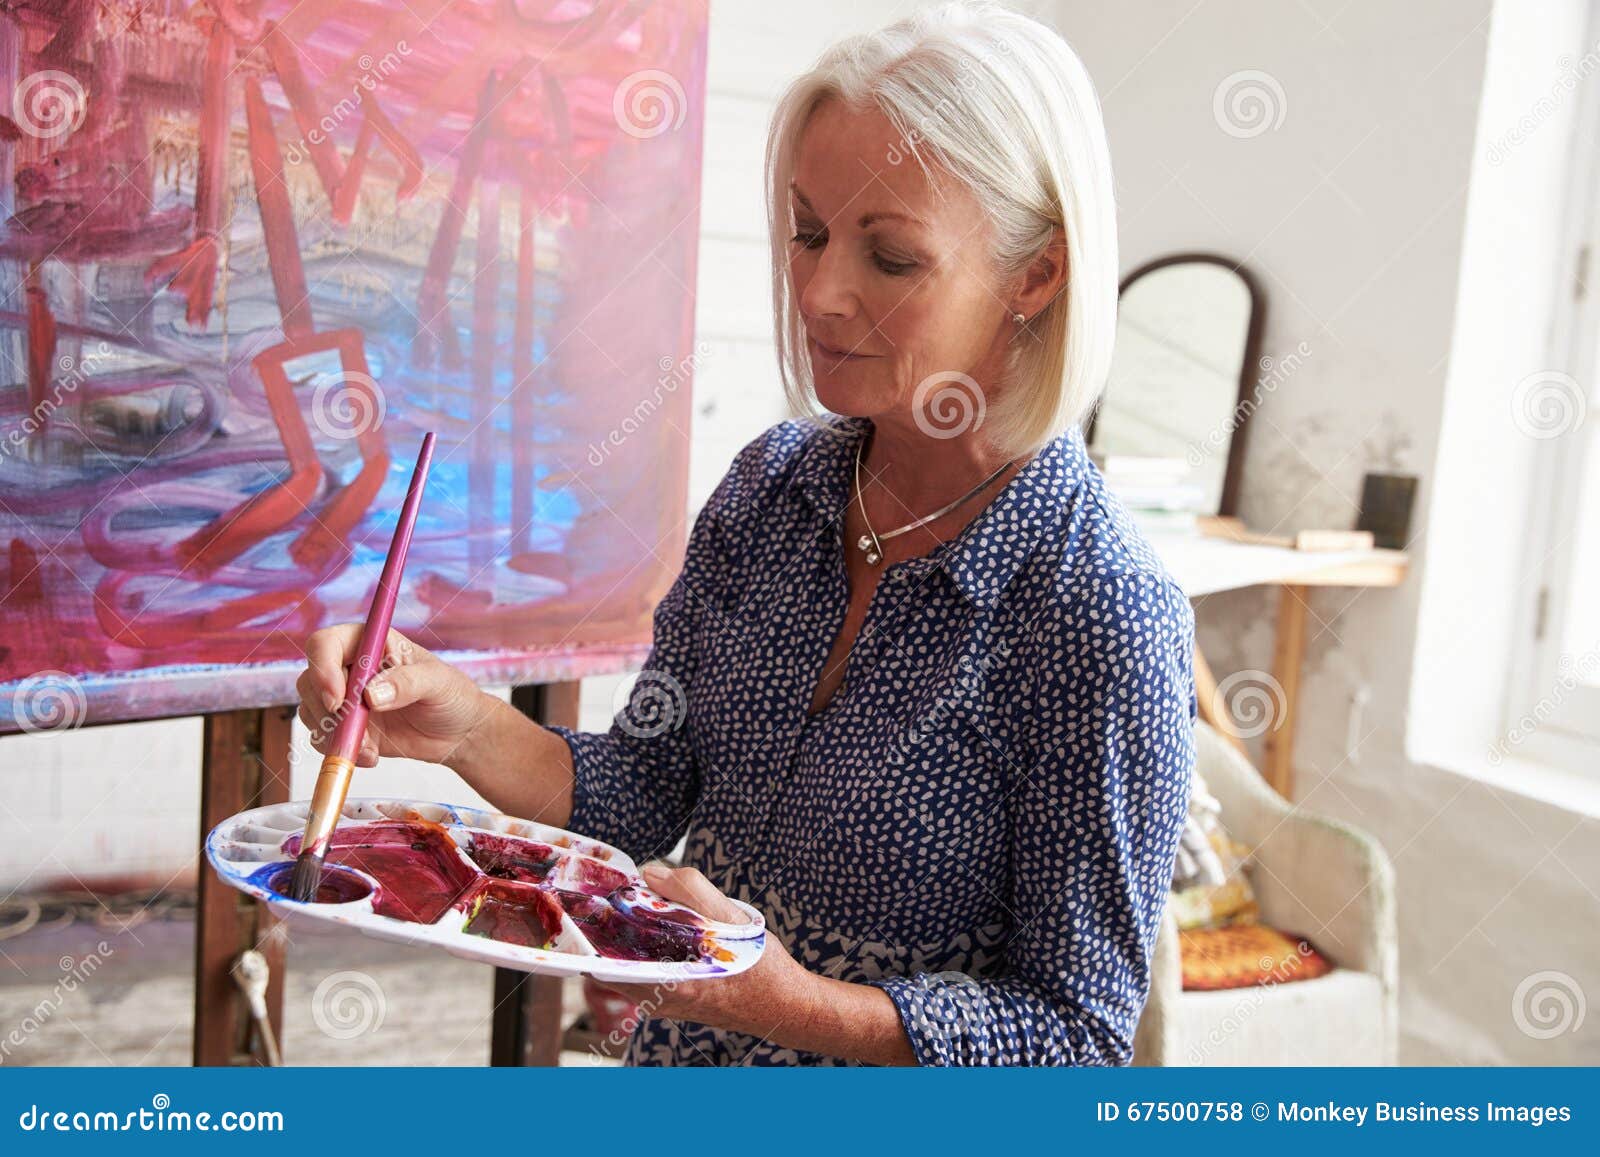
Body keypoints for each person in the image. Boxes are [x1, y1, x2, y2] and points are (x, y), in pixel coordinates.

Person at [297, 0, 1196, 1066]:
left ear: (1035, 273)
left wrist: (788, 1003)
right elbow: (647, 782)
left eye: (892, 257)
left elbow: (1074, 1036)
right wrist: (460, 728)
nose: (819, 291)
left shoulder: (1097, 609)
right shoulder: (775, 491)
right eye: (808, 232)